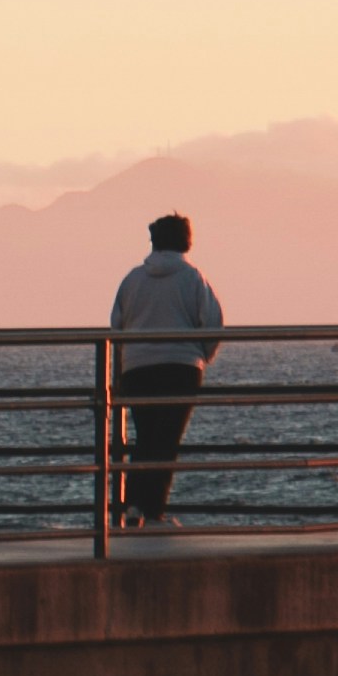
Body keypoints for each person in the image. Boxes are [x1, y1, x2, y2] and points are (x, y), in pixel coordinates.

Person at [109, 212, 223, 528]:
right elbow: (212, 324)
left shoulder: (132, 279)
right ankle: (153, 511)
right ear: (185, 240)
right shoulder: (193, 278)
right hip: (181, 368)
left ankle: (132, 505)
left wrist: (123, 367)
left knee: (145, 438)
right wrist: (201, 357)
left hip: (138, 369)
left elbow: (116, 325)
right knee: (166, 442)